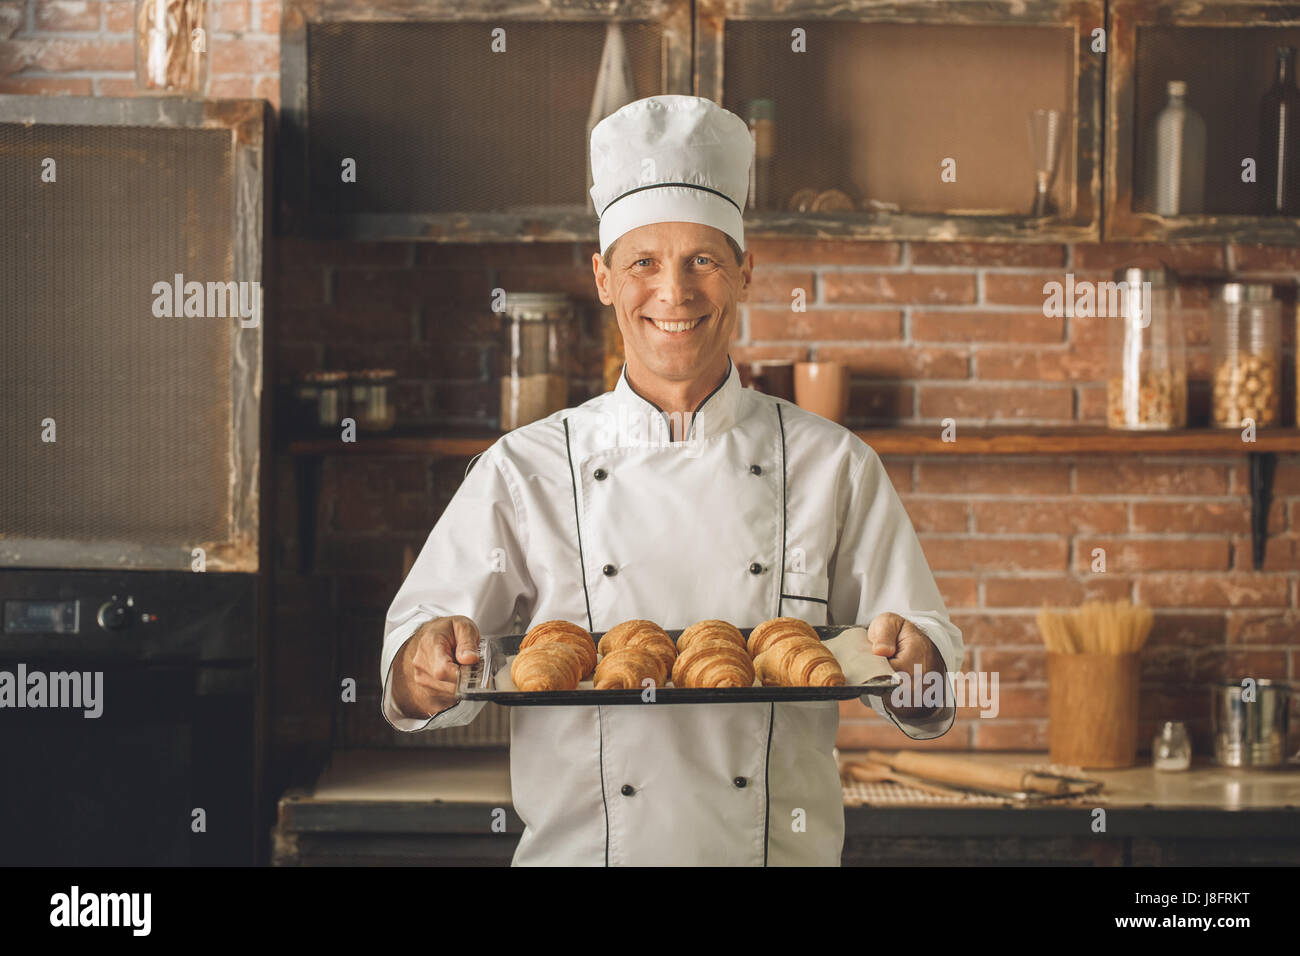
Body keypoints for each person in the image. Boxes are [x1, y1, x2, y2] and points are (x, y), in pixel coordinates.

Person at [381, 94, 963, 866]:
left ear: (746, 273)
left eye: (703, 261)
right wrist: (422, 664)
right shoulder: (525, 468)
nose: (675, 293)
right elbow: (411, 674)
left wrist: (920, 661)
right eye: (644, 262)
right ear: (602, 276)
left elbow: (926, 679)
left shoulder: (835, 465)